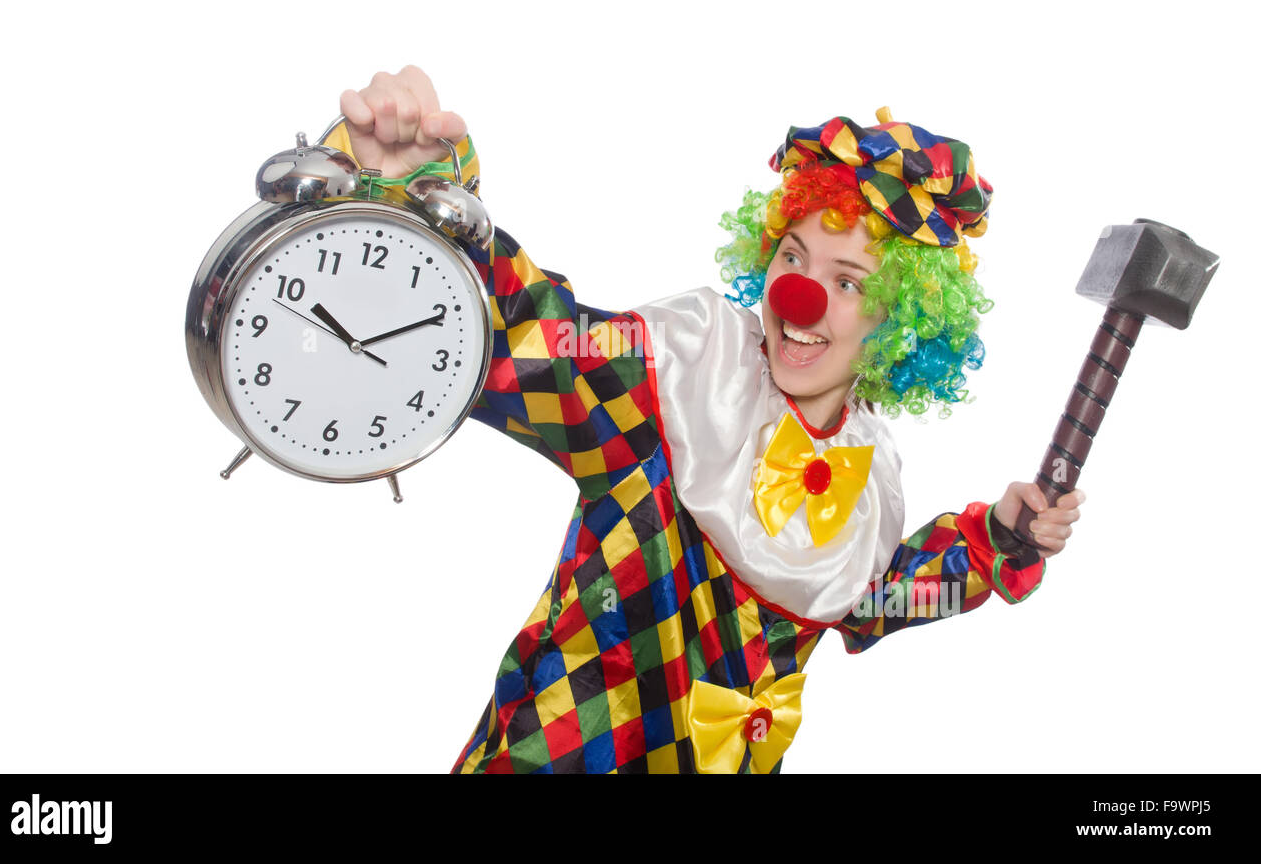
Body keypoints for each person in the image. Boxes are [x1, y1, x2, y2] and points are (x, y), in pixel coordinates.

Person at [335, 67, 1085, 774]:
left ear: (898, 322)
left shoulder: (867, 464)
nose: (800, 295)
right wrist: (414, 190)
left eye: (847, 281)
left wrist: (995, 542)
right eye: (794, 254)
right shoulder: (683, 370)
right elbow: (538, 342)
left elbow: (870, 603)